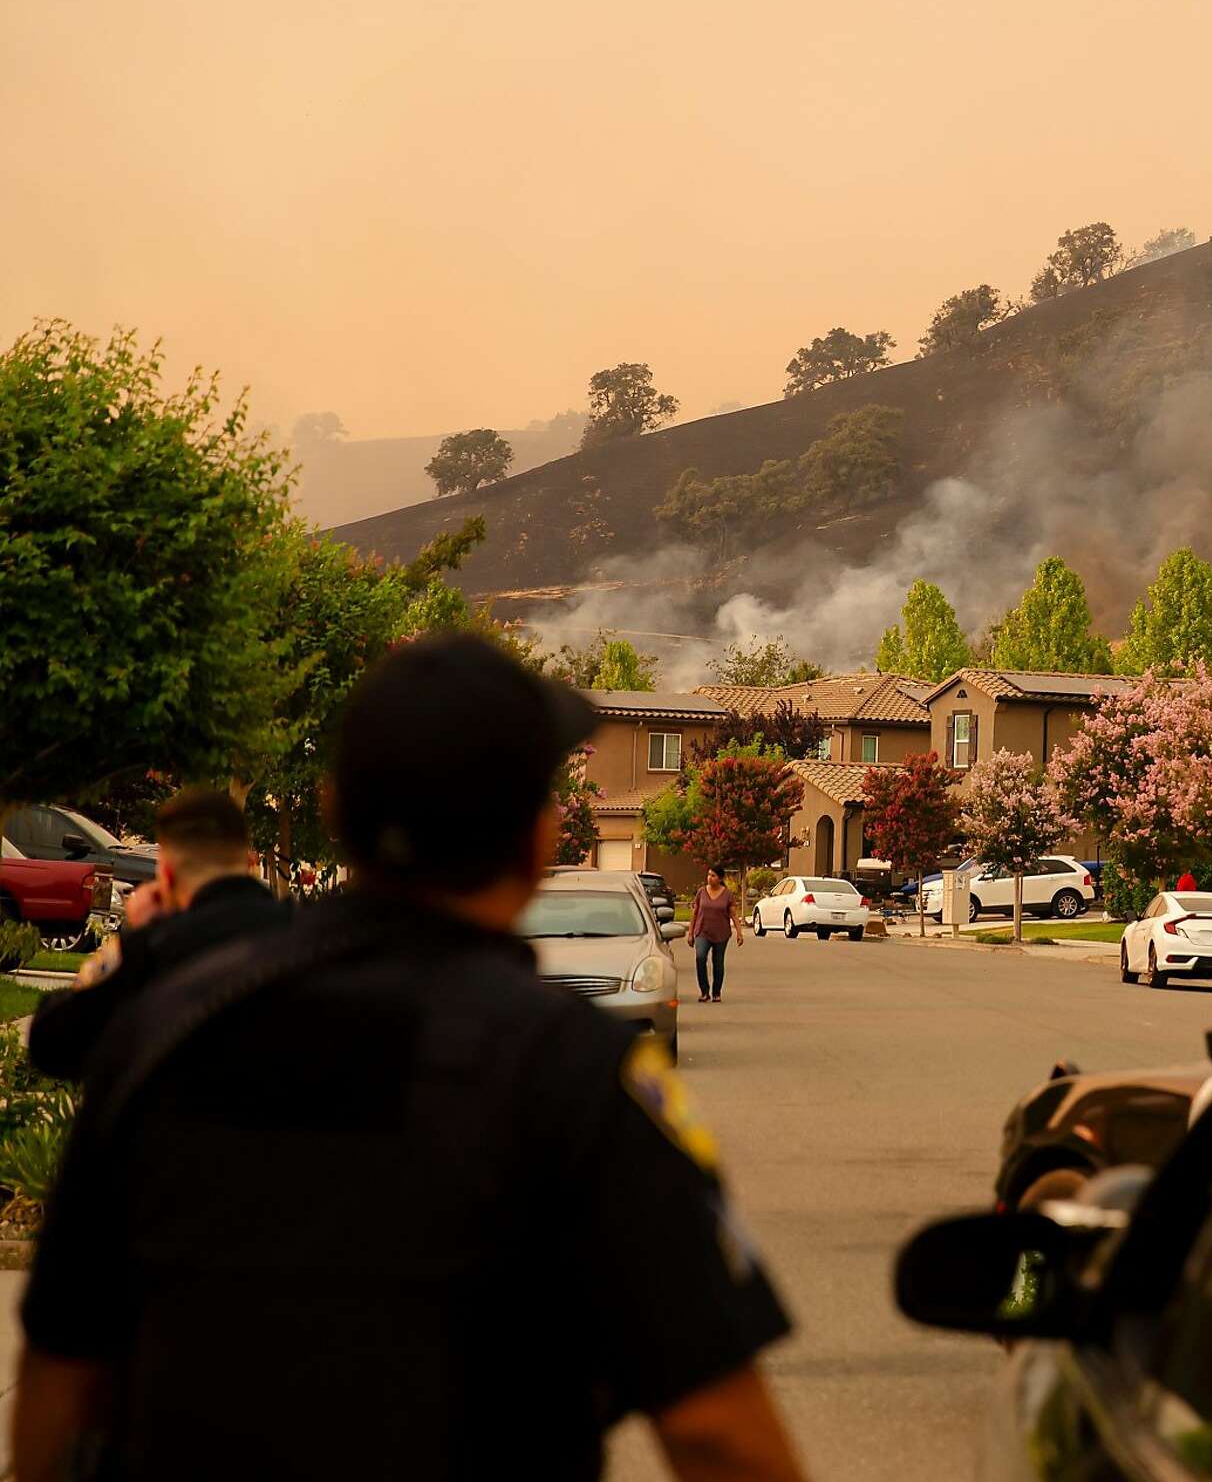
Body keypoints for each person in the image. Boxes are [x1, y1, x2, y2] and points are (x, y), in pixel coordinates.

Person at [14, 633, 807, 1481]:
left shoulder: (170, 1024)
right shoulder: (570, 1069)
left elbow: (60, 1372)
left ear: (336, 811)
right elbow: (719, 1433)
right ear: (540, 836)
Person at [28, 786, 289, 1083]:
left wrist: (130, 942)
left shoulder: (154, 951)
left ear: (165, 874)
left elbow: (52, 1043)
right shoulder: (302, 934)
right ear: (249, 861)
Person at [691, 864, 743, 1003]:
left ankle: (716, 993)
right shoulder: (701, 892)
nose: (710, 878)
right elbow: (695, 913)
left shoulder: (727, 894)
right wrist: (690, 933)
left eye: (713, 875)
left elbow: (733, 914)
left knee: (718, 963)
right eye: (708, 875)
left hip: (721, 934)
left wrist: (739, 932)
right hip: (702, 932)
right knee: (700, 958)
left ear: (720, 878)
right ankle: (704, 991)